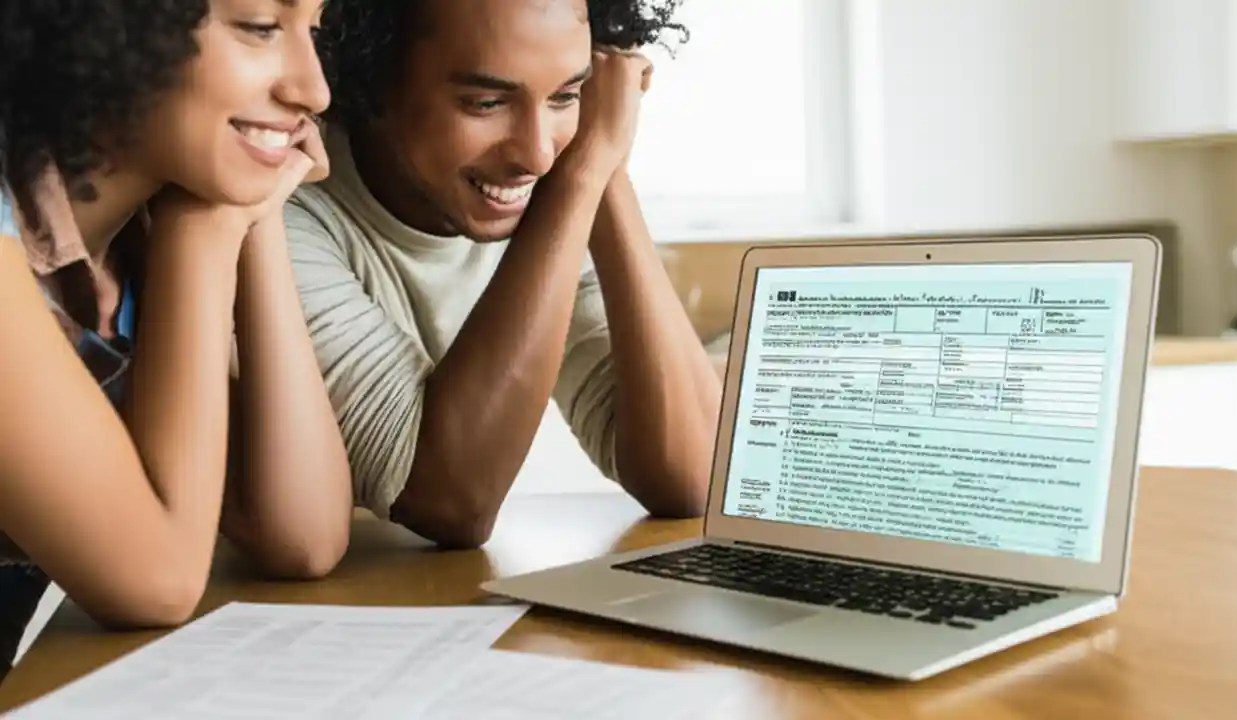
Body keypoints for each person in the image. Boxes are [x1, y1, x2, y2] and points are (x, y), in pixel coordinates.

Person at [285, 0, 720, 549]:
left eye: (567, 95)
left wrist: (602, 165)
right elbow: (450, 502)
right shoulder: (289, 202)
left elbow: (694, 476)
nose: (537, 155)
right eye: (487, 103)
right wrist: (585, 174)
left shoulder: (556, 182)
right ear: (367, 74)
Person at [0, 0, 351, 675]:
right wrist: (211, 234)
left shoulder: (141, 236)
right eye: (258, 27)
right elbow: (157, 582)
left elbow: (301, 535)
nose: (313, 89)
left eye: (316, 30)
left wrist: (245, 213)